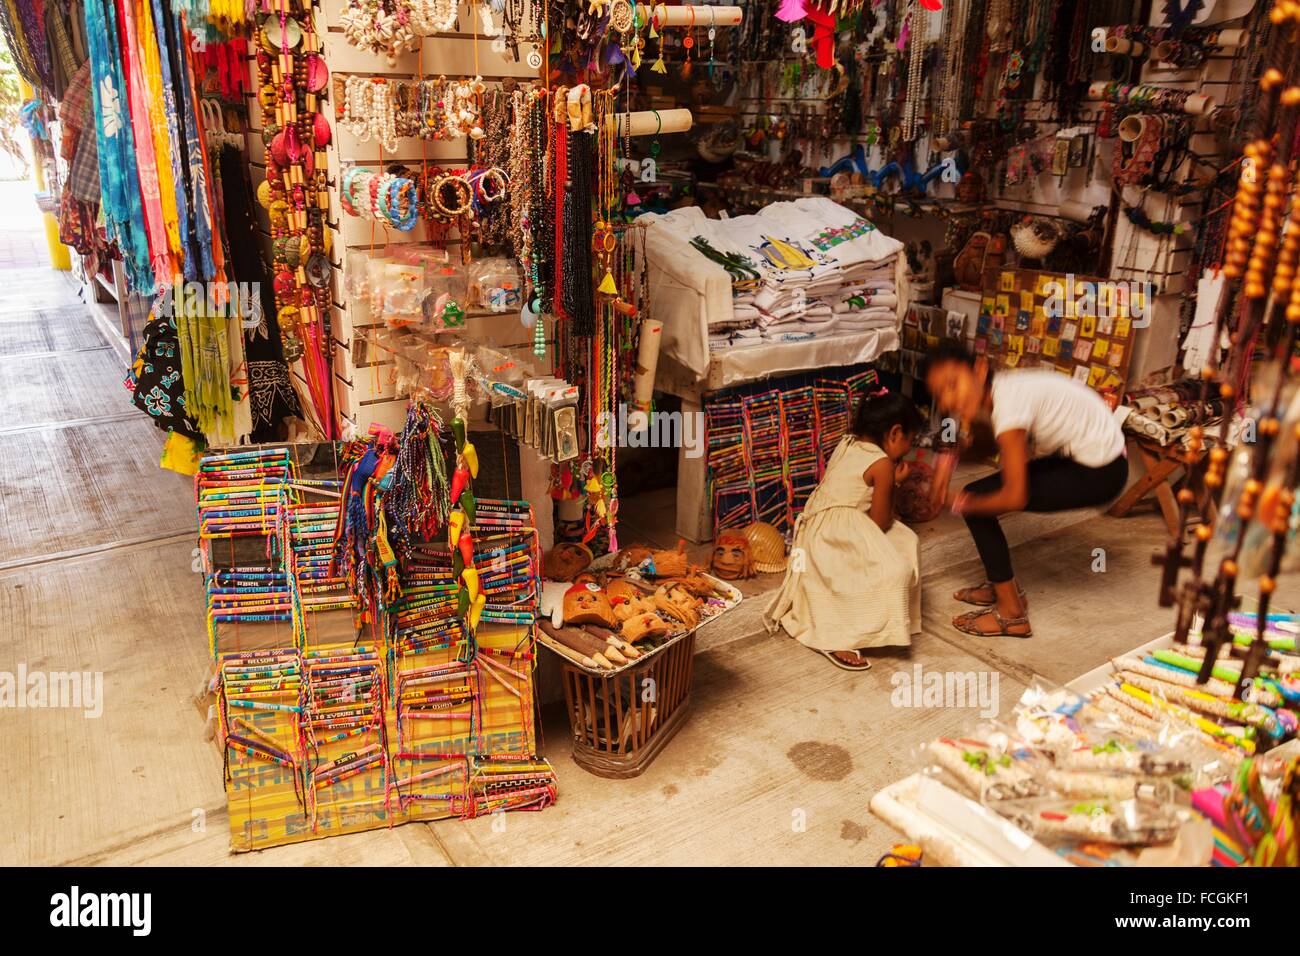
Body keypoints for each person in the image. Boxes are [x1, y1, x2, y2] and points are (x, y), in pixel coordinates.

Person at [923, 341, 1128, 638]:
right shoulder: (1002, 390)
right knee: (978, 493)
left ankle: (1012, 614)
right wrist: (945, 461)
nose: (948, 400)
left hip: (1101, 474)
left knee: (977, 503)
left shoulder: (1008, 405)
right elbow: (984, 445)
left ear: (979, 369)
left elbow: (1014, 496)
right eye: (940, 394)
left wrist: (957, 503)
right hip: (1093, 458)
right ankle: (1002, 587)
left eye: (953, 385)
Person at [764, 390, 924, 670]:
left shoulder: (847, 442)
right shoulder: (883, 465)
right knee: (896, 566)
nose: (908, 450)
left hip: (816, 531)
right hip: (840, 533)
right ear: (896, 433)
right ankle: (840, 633)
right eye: (910, 442)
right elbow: (879, 522)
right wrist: (897, 483)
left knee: (903, 540)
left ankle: (869, 619)